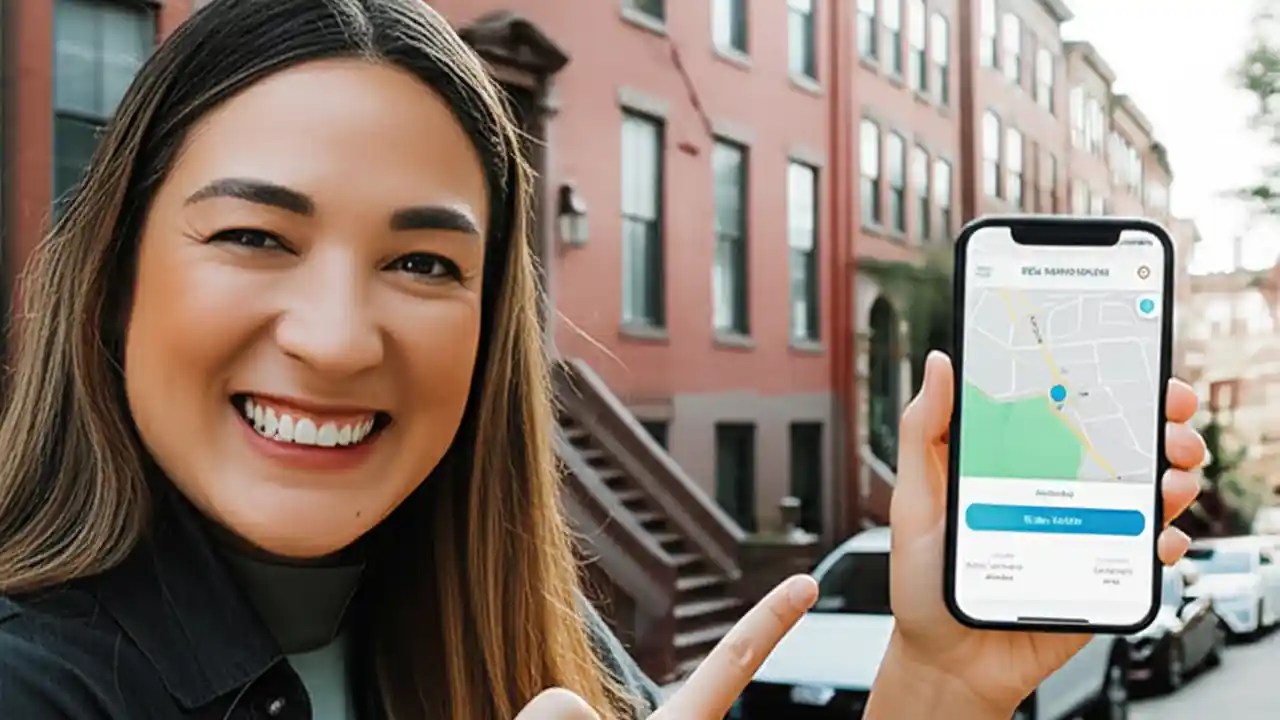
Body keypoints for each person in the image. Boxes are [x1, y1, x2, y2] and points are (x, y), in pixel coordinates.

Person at [0, 0, 1205, 718]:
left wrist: (939, 685)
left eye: (422, 262)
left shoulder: (525, 631)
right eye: (254, 237)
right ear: (114, 275)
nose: (334, 336)